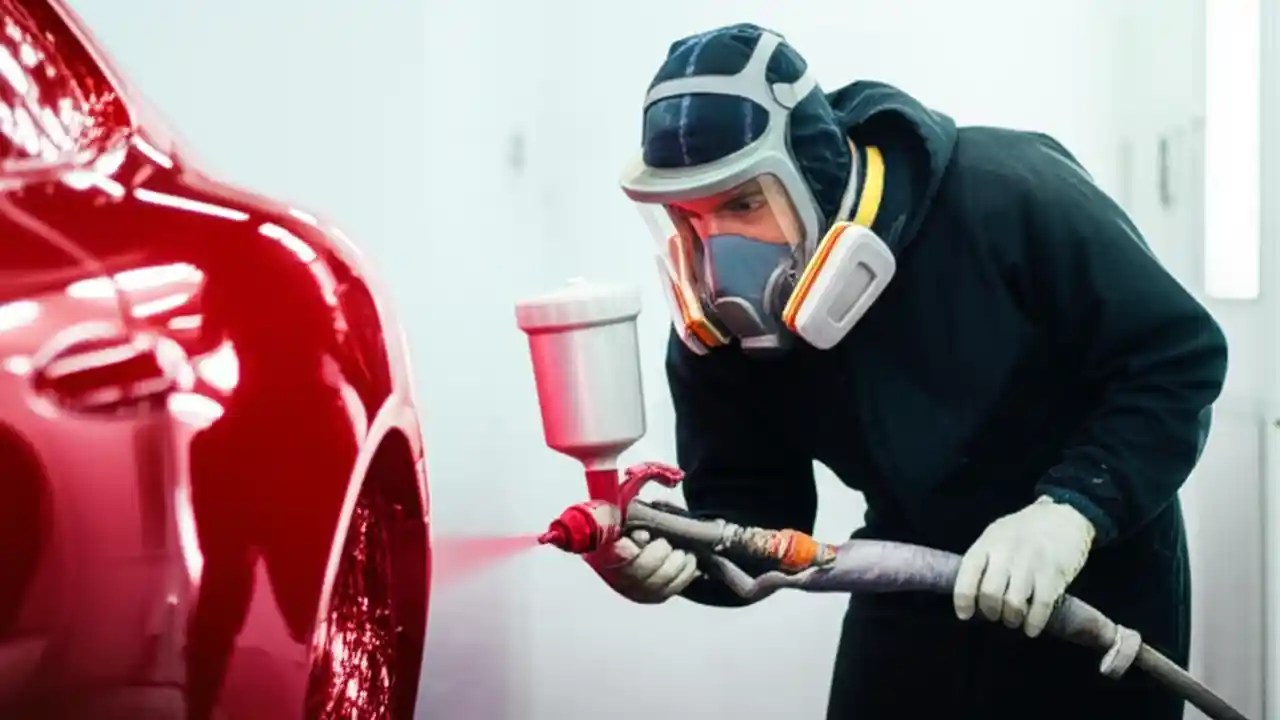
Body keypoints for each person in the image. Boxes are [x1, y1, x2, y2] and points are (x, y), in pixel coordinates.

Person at [582, 22, 1229, 720]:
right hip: (908, 572)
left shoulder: (1008, 192)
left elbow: (1175, 358)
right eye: (690, 215)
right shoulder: (723, 327)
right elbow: (754, 519)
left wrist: (1070, 513)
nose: (720, 248)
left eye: (744, 203)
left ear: (811, 173)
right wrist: (680, 562)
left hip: (1090, 567)